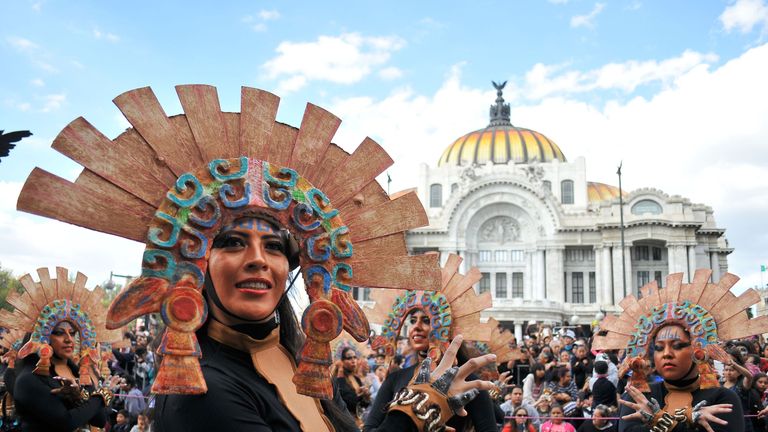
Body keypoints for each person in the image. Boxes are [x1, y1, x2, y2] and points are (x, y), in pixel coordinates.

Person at [18, 85, 498, 432]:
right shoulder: (200, 392)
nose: (257, 260)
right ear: (195, 261)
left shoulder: (290, 357)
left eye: (274, 246)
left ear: (295, 267)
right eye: (231, 242)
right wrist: (417, 411)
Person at [592, 270, 768, 432]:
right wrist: (688, 419)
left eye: (677, 346)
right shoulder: (638, 396)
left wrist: (659, 420)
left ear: (698, 349)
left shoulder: (723, 397)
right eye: (659, 348)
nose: (666, 354)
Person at [364, 254, 500, 432]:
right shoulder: (395, 379)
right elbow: (370, 429)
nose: (416, 327)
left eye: (426, 320)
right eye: (412, 320)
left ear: (447, 328)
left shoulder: (469, 383)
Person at [0, 268, 119, 432]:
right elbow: (66, 422)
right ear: (44, 337)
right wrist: (102, 395)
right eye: (59, 333)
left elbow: (99, 419)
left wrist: (81, 396)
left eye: (72, 333)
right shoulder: (28, 380)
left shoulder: (77, 372)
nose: (69, 339)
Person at [335, 347, 370, 425]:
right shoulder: (337, 380)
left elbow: (362, 405)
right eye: (349, 358)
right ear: (342, 361)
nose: (353, 360)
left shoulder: (356, 378)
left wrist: (366, 397)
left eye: (355, 357)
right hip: (344, 421)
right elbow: (347, 400)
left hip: (357, 421)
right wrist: (340, 371)